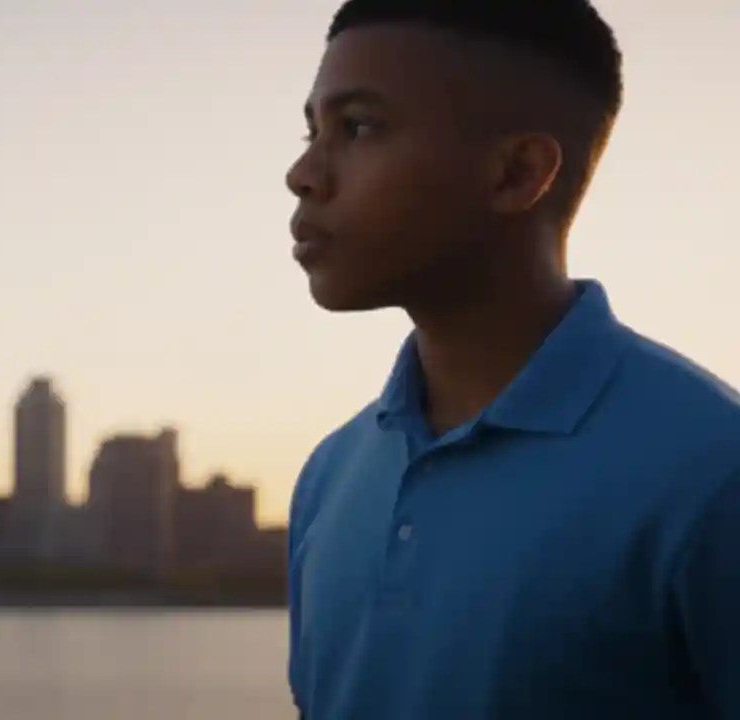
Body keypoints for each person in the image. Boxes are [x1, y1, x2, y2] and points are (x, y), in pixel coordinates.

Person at [283, 1, 740, 718]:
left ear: (517, 174)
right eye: (312, 130)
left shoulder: (713, 471)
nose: (303, 173)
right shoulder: (330, 475)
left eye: (359, 128)